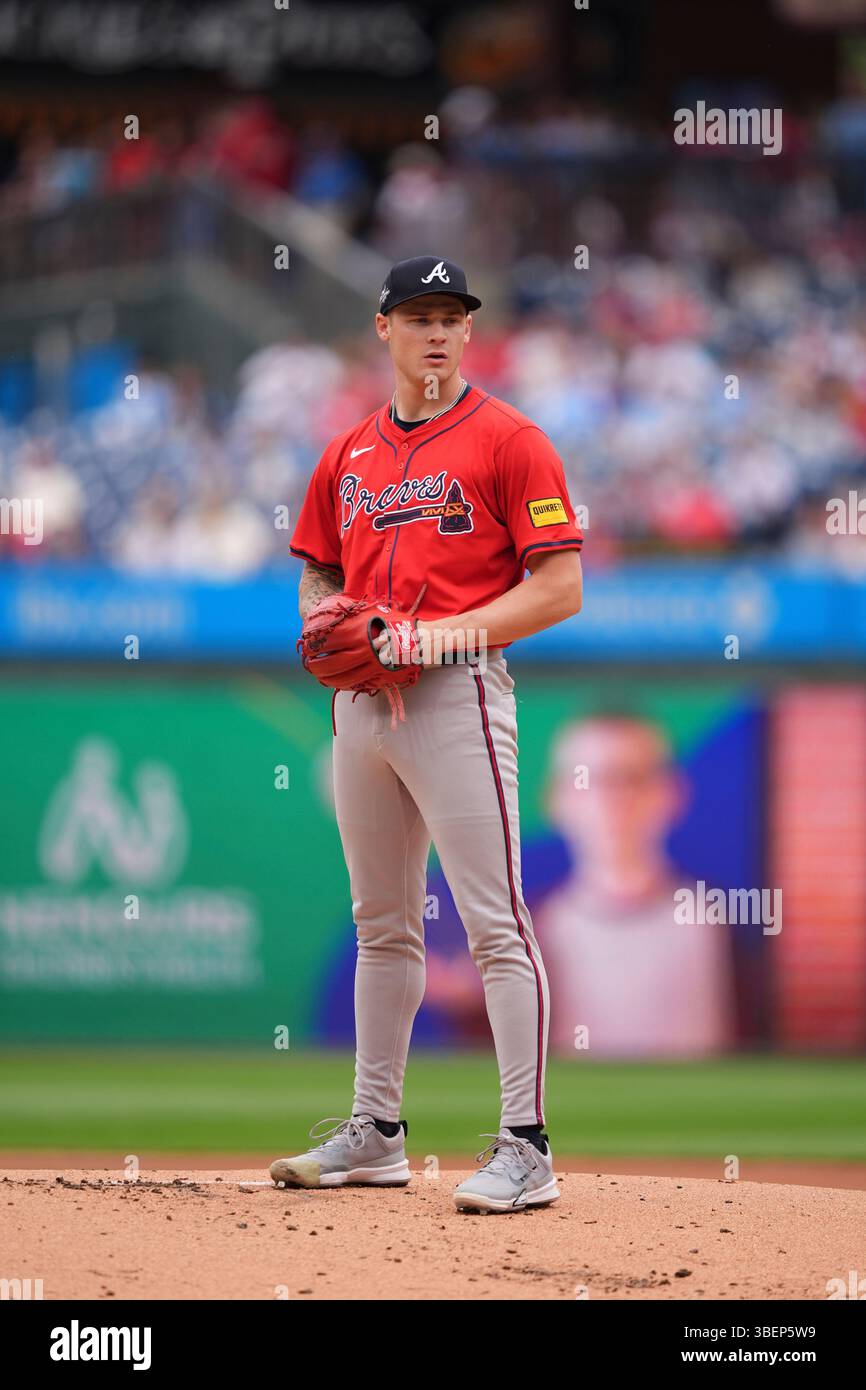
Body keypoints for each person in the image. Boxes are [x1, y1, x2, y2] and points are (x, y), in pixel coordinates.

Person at [271, 256, 583, 1213]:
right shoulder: (346, 453)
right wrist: (334, 624)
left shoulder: (509, 438)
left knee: (495, 924)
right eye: (419, 315)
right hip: (362, 703)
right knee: (381, 927)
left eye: (453, 315)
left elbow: (559, 587)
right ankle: (376, 1133)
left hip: (457, 694)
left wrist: (432, 634)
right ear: (384, 330)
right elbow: (318, 574)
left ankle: (526, 1147)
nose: (439, 331)